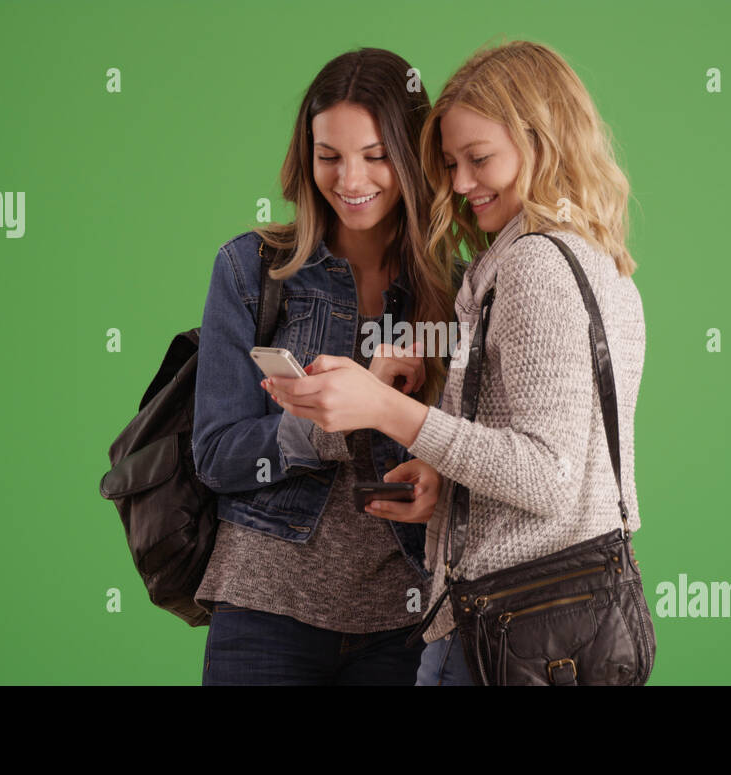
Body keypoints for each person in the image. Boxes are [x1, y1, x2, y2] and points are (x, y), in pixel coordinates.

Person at [267, 40, 646, 685]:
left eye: (479, 160)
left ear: (543, 143)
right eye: (449, 163)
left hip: (506, 624)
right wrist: (442, 467)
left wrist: (388, 408)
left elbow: (542, 476)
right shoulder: (592, 258)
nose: (461, 184)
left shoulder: (533, 265)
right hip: (566, 622)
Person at [191, 48, 459, 685]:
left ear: (413, 155)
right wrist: (328, 423)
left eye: (375, 155)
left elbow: (481, 451)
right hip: (264, 610)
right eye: (329, 156)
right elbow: (215, 454)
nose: (349, 179)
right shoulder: (251, 269)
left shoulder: (459, 289)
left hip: (407, 618)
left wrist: (442, 489)